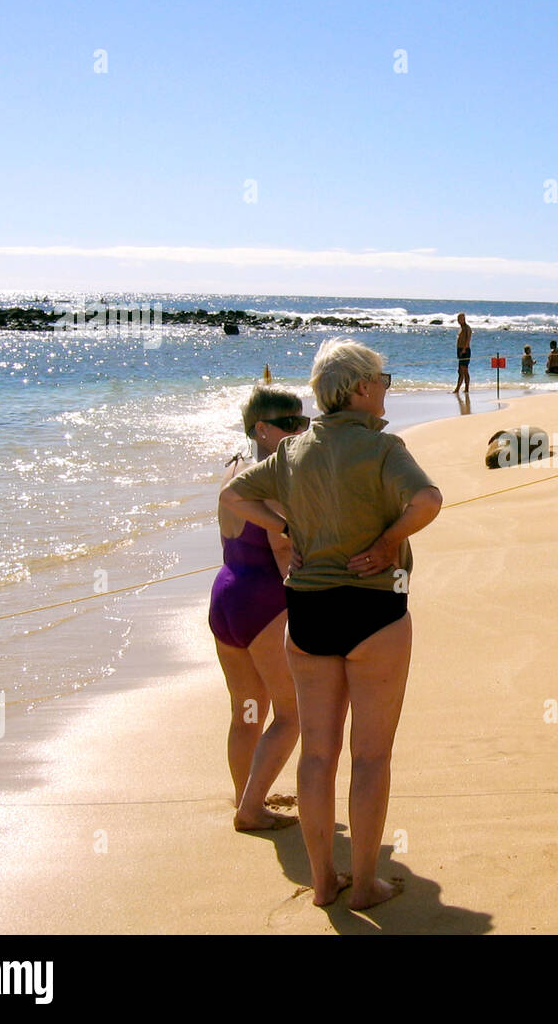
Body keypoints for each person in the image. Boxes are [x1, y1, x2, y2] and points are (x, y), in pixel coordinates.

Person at [222, 339, 444, 908]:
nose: (387, 389)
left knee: (317, 753)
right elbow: (428, 499)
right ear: (362, 388)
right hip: (375, 610)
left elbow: (233, 493)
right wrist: (387, 542)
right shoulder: (382, 447)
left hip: (310, 612)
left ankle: (323, 882)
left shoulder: (296, 452)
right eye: (385, 379)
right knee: (371, 754)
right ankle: (364, 882)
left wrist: (289, 529)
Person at [210, 386, 308, 830]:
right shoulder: (270, 477)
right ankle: (251, 809)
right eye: (288, 423)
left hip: (227, 594)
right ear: (261, 429)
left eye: (302, 421)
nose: (300, 429)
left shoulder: (234, 467)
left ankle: (244, 797)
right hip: (265, 602)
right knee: (292, 715)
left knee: (246, 710)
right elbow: (285, 554)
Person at [453, 313, 472, 394]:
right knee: (460, 370)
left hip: (465, 351)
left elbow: (468, 339)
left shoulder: (467, 328)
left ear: (463, 319)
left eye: (460, 319)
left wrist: (464, 349)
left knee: (464, 370)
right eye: (458, 319)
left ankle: (465, 388)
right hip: (460, 350)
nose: (458, 321)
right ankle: (458, 388)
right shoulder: (461, 328)